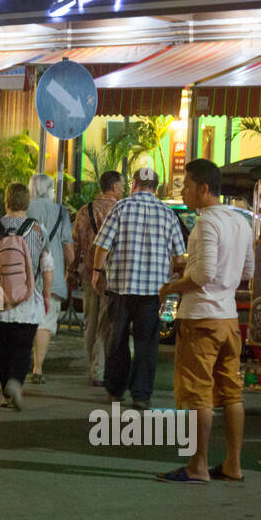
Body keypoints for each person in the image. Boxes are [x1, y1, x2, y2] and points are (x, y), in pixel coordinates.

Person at [157, 159, 255, 484]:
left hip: (201, 318)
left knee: (198, 393)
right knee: (231, 392)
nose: (182, 191)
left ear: (203, 189)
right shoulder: (241, 221)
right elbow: (247, 271)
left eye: (186, 185)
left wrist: (171, 287)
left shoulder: (206, 224)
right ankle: (233, 464)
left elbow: (202, 275)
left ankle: (198, 465)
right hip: (228, 318)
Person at [92, 166, 186, 411]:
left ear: (133, 184)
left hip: (121, 288)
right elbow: (179, 258)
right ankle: (141, 394)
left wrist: (97, 272)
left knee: (117, 340)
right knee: (147, 343)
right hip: (154, 292)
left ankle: (115, 390)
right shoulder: (167, 213)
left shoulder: (120, 208)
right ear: (156, 186)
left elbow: (102, 245)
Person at [0, 182, 54, 411]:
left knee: (3, 346)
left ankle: (4, 394)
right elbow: (47, 265)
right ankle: (16, 383)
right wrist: (47, 294)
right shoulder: (38, 229)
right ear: (26, 202)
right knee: (23, 344)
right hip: (28, 295)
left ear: (6, 201)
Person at [70, 171, 123, 387]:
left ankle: (93, 369)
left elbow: (75, 244)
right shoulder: (119, 210)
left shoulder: (85, 211)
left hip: (89, 273)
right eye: (121, 186)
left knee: (90, 322)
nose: (123, 189)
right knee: (106, 323)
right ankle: (100, 370)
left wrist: (72, 269)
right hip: (113, 275)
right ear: (115, 187)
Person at [25, 173, 74, 384]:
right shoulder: (61, 211)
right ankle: (37, 369)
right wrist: (69, 267)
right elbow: (68, 248)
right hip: (52, 275)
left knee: (25, 320)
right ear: (50, 189)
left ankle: (21, 365)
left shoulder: (23, 209)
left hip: (26, 274)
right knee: (44, 323)